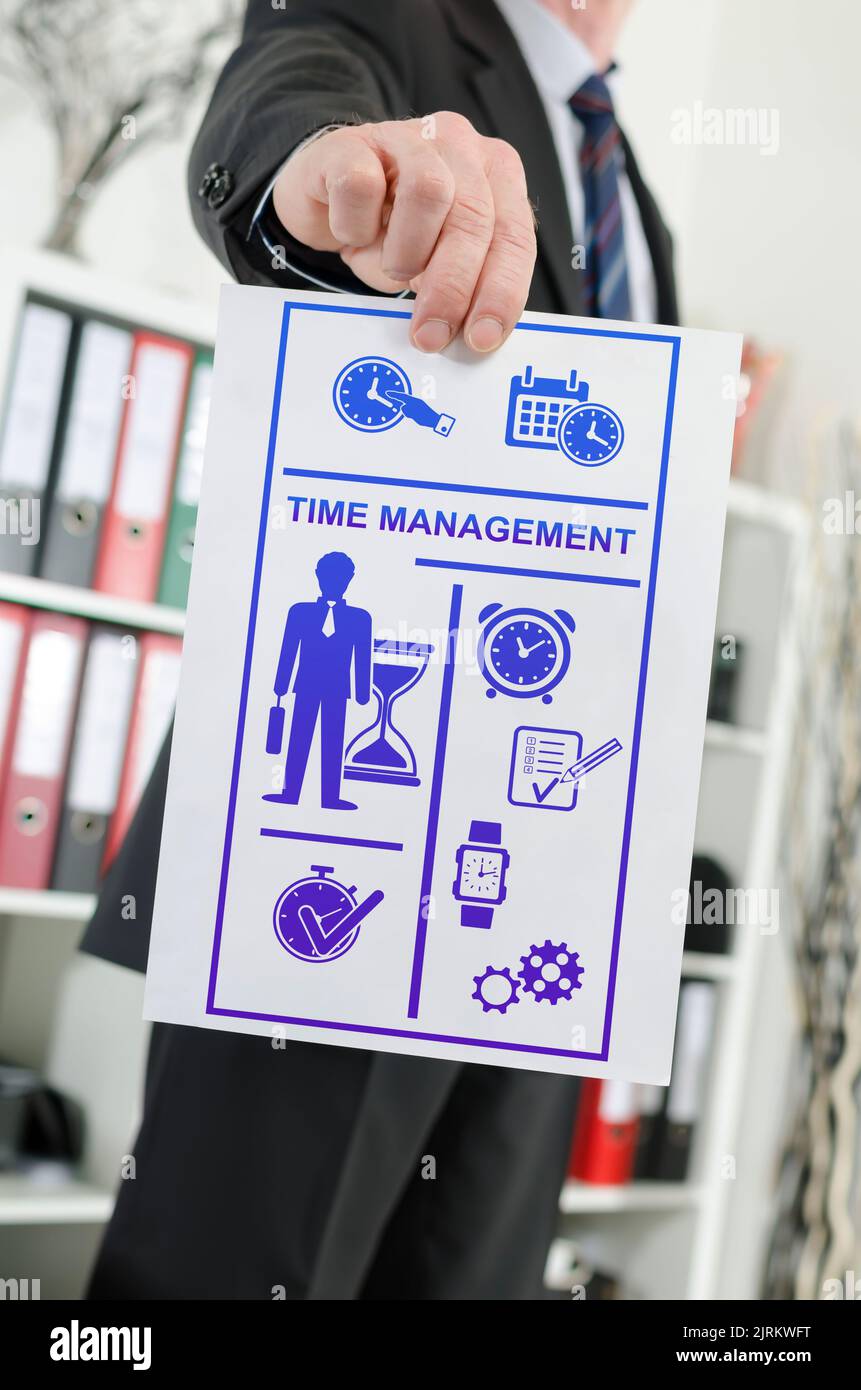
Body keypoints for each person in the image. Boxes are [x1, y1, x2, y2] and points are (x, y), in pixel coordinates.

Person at [84, 0, 677, 1300]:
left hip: (536, 902)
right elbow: (284, 106)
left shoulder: (632, 192)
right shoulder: (397, 17)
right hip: (329, 866)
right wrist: (330, 174)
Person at [266, 552, 372, 811]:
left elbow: (363, 656)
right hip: (305, 686)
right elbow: (288, 650)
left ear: (350, 579)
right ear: (317, 575)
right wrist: (280, 685)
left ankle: (330, 797)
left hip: (338, 689)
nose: (333, 582)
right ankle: (290, 792)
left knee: (334, 742)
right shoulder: (300, 612)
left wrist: (362, 691)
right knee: (298, 739)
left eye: (339, 577)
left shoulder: (360, 618)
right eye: (328, 576)